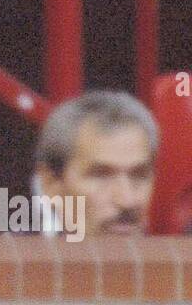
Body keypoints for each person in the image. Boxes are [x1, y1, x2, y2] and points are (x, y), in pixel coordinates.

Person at [34, 91, 159, 237]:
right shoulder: (13, 251)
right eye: (101, 175)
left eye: (139, 176)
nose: (126, 201)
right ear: (51, 184)